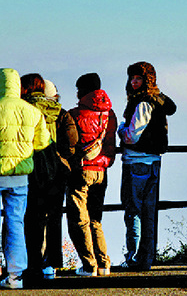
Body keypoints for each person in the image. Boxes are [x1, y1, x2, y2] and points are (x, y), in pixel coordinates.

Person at [118, 61, 177, 271]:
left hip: (136, 161)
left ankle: (134, 258)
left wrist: (121, 130)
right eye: (132, 78)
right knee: (149, 212)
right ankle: (147, 257)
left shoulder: (143, 102)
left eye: (138, 78)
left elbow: (133, 135)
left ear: (147, 80)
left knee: (133, 210)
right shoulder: (158, 100)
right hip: (154, 162)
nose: (134, 82)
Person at [0, 69, 52, 290]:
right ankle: (15, 277)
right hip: (20, 175)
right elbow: (42, 143)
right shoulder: (31, 111)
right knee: (15, 223)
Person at [20, 74, 76, 282]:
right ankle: (50, 264)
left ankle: (31, 263)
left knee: (32, 218)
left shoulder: (25, 109)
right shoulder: (61, 113)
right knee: (54, 218)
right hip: (58, 172)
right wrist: (60, 156)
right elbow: (73, 140)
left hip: (31, 170)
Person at [66, 73, 117, 277]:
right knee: (95, 219)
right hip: (101, 171)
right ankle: (104, 264)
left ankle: (89, 266)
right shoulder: (109, 113)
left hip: (81, 170)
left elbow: (69, 143)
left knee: (79, 220)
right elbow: (112, 141)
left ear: (83, 90)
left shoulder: (75, 114)